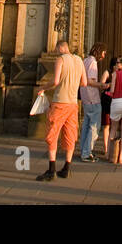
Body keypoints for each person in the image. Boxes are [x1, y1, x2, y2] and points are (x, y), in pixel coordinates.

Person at [35, 39, 84, 182]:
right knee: (70, 135)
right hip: (73, 103)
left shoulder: (61, 60)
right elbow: (85, 83)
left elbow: (56, 81)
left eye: (56, 49)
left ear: (60, 48)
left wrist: (42, 88)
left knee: (53, 134)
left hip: (60, 102)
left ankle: (51, 170)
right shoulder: (79, 60)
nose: (56, 51)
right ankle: (66, 169)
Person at [80, 43, 106, 162]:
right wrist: (102, 85)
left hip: (85, 96)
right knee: (94, 126)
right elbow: (90, 81)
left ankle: (83, 150)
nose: (104, 56)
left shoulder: (85, 60)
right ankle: (86, 153)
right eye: (103, 53)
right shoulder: (92, 62)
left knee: (86, 124)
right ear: (99, 51)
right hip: (92, 97)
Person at [99, 55, 116, 161]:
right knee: (106, 125)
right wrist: (109, 84)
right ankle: (106, 148)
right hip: (107, 101)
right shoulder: (107, 73)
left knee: (114, 125)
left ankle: (113, 148)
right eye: (116, 64)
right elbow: (101, 85)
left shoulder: (120, 74)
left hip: (116, 101)